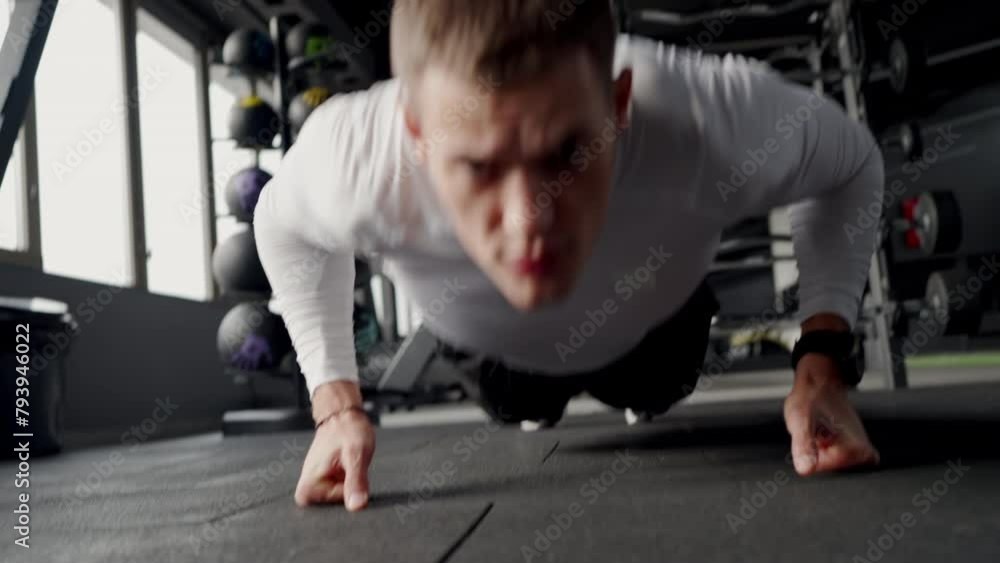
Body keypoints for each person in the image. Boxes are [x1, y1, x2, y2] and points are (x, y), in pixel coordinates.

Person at [253, 0, 885, 512]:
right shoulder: (357, 157)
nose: (529, 219)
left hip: (655, 335)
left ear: (618, 106)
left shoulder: (701, 115)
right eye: (478, 165)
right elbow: (282, 229)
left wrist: (822, 367)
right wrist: (335, 408)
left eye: (566, 153)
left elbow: (852, 165)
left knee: (659, 386)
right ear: (417, 132)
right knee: (519, 405)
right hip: (492, 356)